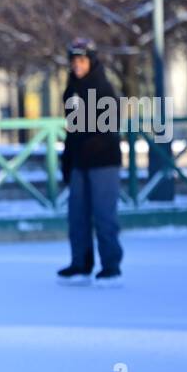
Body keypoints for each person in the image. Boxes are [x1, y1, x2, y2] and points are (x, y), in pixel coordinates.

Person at [57, 38, 123, 287]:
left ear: (92, 61)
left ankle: (111, 266)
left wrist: (88, 144)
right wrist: (68, 160)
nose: (77, 65)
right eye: (74, 61)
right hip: (79, 163)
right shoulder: (71, 89)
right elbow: (72, 130)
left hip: (103, 163)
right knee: (77, 215)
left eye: (82, 60)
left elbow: (107, 130)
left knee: (104, 215)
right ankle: (80, 264)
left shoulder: (104, 89)